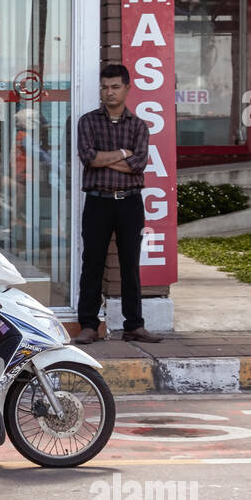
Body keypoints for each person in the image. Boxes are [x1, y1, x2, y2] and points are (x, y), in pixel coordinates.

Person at [75, 63, 161, 345]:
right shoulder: (87, 121)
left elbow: (138, 165)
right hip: (98, 202)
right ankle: (89, 324)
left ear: (126, 88)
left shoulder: (138, 125)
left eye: (114, 87)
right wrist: (123, 153)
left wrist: (108, 157)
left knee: (129, 265)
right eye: (104, 87)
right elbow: (89, 158)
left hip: (129, 203)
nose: (109, 93)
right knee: (93, 263)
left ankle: (134, 325)